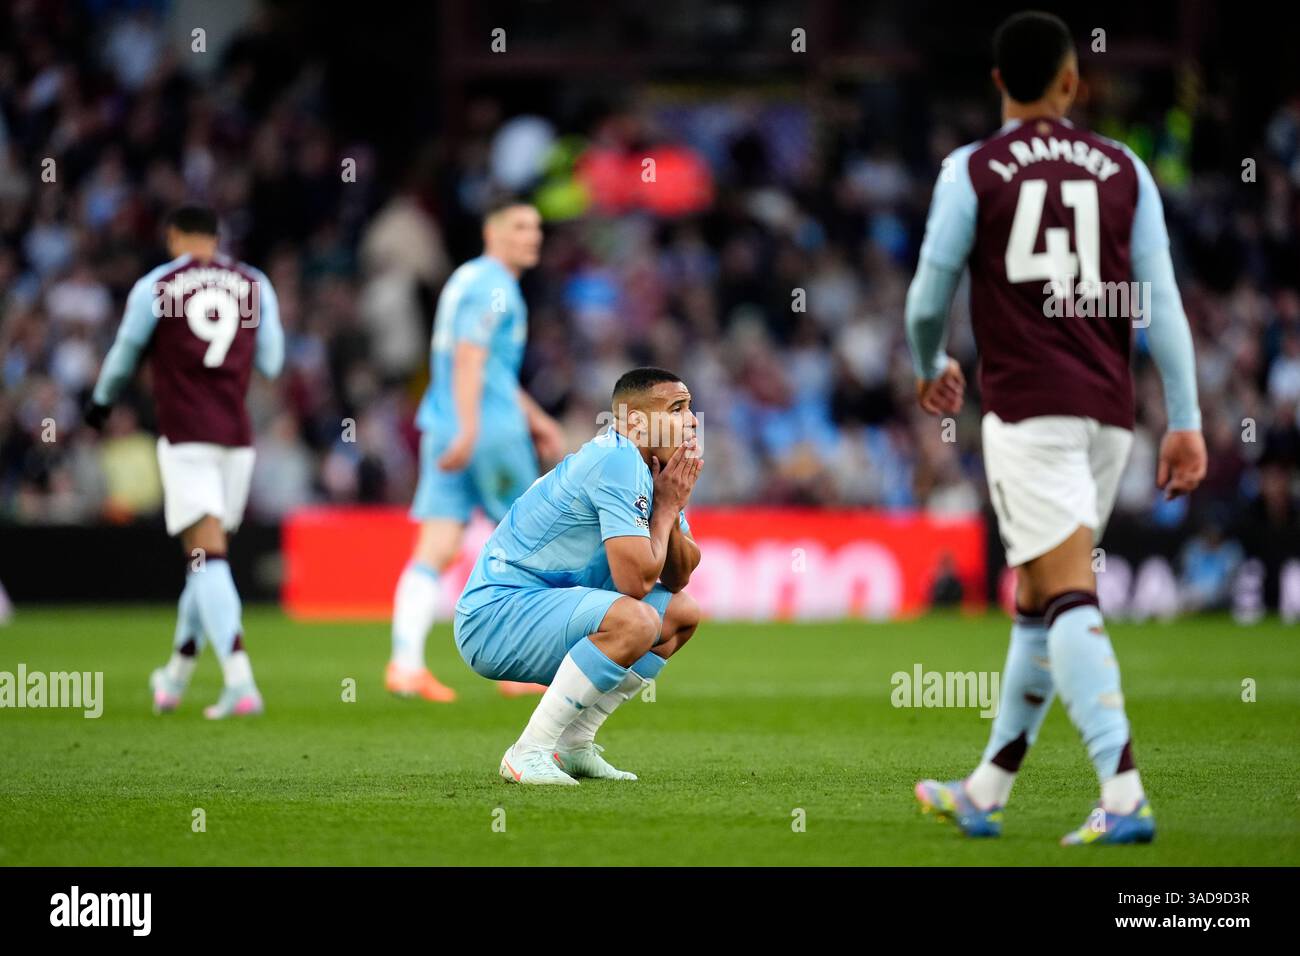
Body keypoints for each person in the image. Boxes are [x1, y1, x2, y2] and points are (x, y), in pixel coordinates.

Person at [905, 11, 1206, 845]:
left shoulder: (973, 169)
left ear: (998, 82)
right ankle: (987, 788)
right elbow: (1164, 304)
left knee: (1066, 589)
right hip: (1109, 415)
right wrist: (1184, 419)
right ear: (1073, 82)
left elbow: (928, 297)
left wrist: (930, 365)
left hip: (1029, 408)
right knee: (1038, 594)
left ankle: (1124, 793)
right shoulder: (1126, 169)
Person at [454, 368, 702, 784]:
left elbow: (678, 578)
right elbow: (635, 583)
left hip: (539, 609)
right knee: (637, 619)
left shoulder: (647, 466)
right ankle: (527, 751)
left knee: (679, 614)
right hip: (493, 617)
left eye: (690, 407)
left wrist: (670, 511)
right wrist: (664, 511)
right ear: (637, 423)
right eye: (678, 408)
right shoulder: (617, 460)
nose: (693, 419)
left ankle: (573, 745)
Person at [86, 204, 284, 719]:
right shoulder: (253, 282)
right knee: (204, 560)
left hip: (186, 436)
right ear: (216, 238)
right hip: (236, 441)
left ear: (174, 236)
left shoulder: (157, 285)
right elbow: (273, 361)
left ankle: (241, 683)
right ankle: (174, 675)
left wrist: (100, 405)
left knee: (207, 559)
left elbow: (124, 353)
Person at [387, 198, 565, 702]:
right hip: (487, 434)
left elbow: (489, 369)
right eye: (519, 226)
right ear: (492, 232)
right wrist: (471, 430)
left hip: (445, 426)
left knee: (437, 546)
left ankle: (405, 664)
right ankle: (519, 667)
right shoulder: (495, 287)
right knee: (531, 545)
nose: (532, 235)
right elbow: (470, 357)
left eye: (536, 226)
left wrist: (535, 417)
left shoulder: (466, 280)